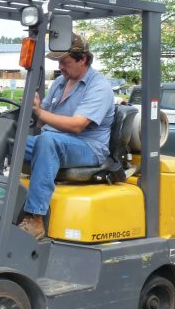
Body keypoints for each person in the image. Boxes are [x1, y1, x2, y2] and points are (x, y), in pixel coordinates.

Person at [18, 34, 115, 239]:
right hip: (53, 142)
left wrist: (40, 113)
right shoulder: (60, 83)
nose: (60, 67)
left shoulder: (99, 86)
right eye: (59, 62)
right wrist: (29, 108)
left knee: (47, 141)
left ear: (83, 59)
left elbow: (77, 126)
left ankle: (35, 218)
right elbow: (42, 121)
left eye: (65, 62)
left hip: (88, 147)